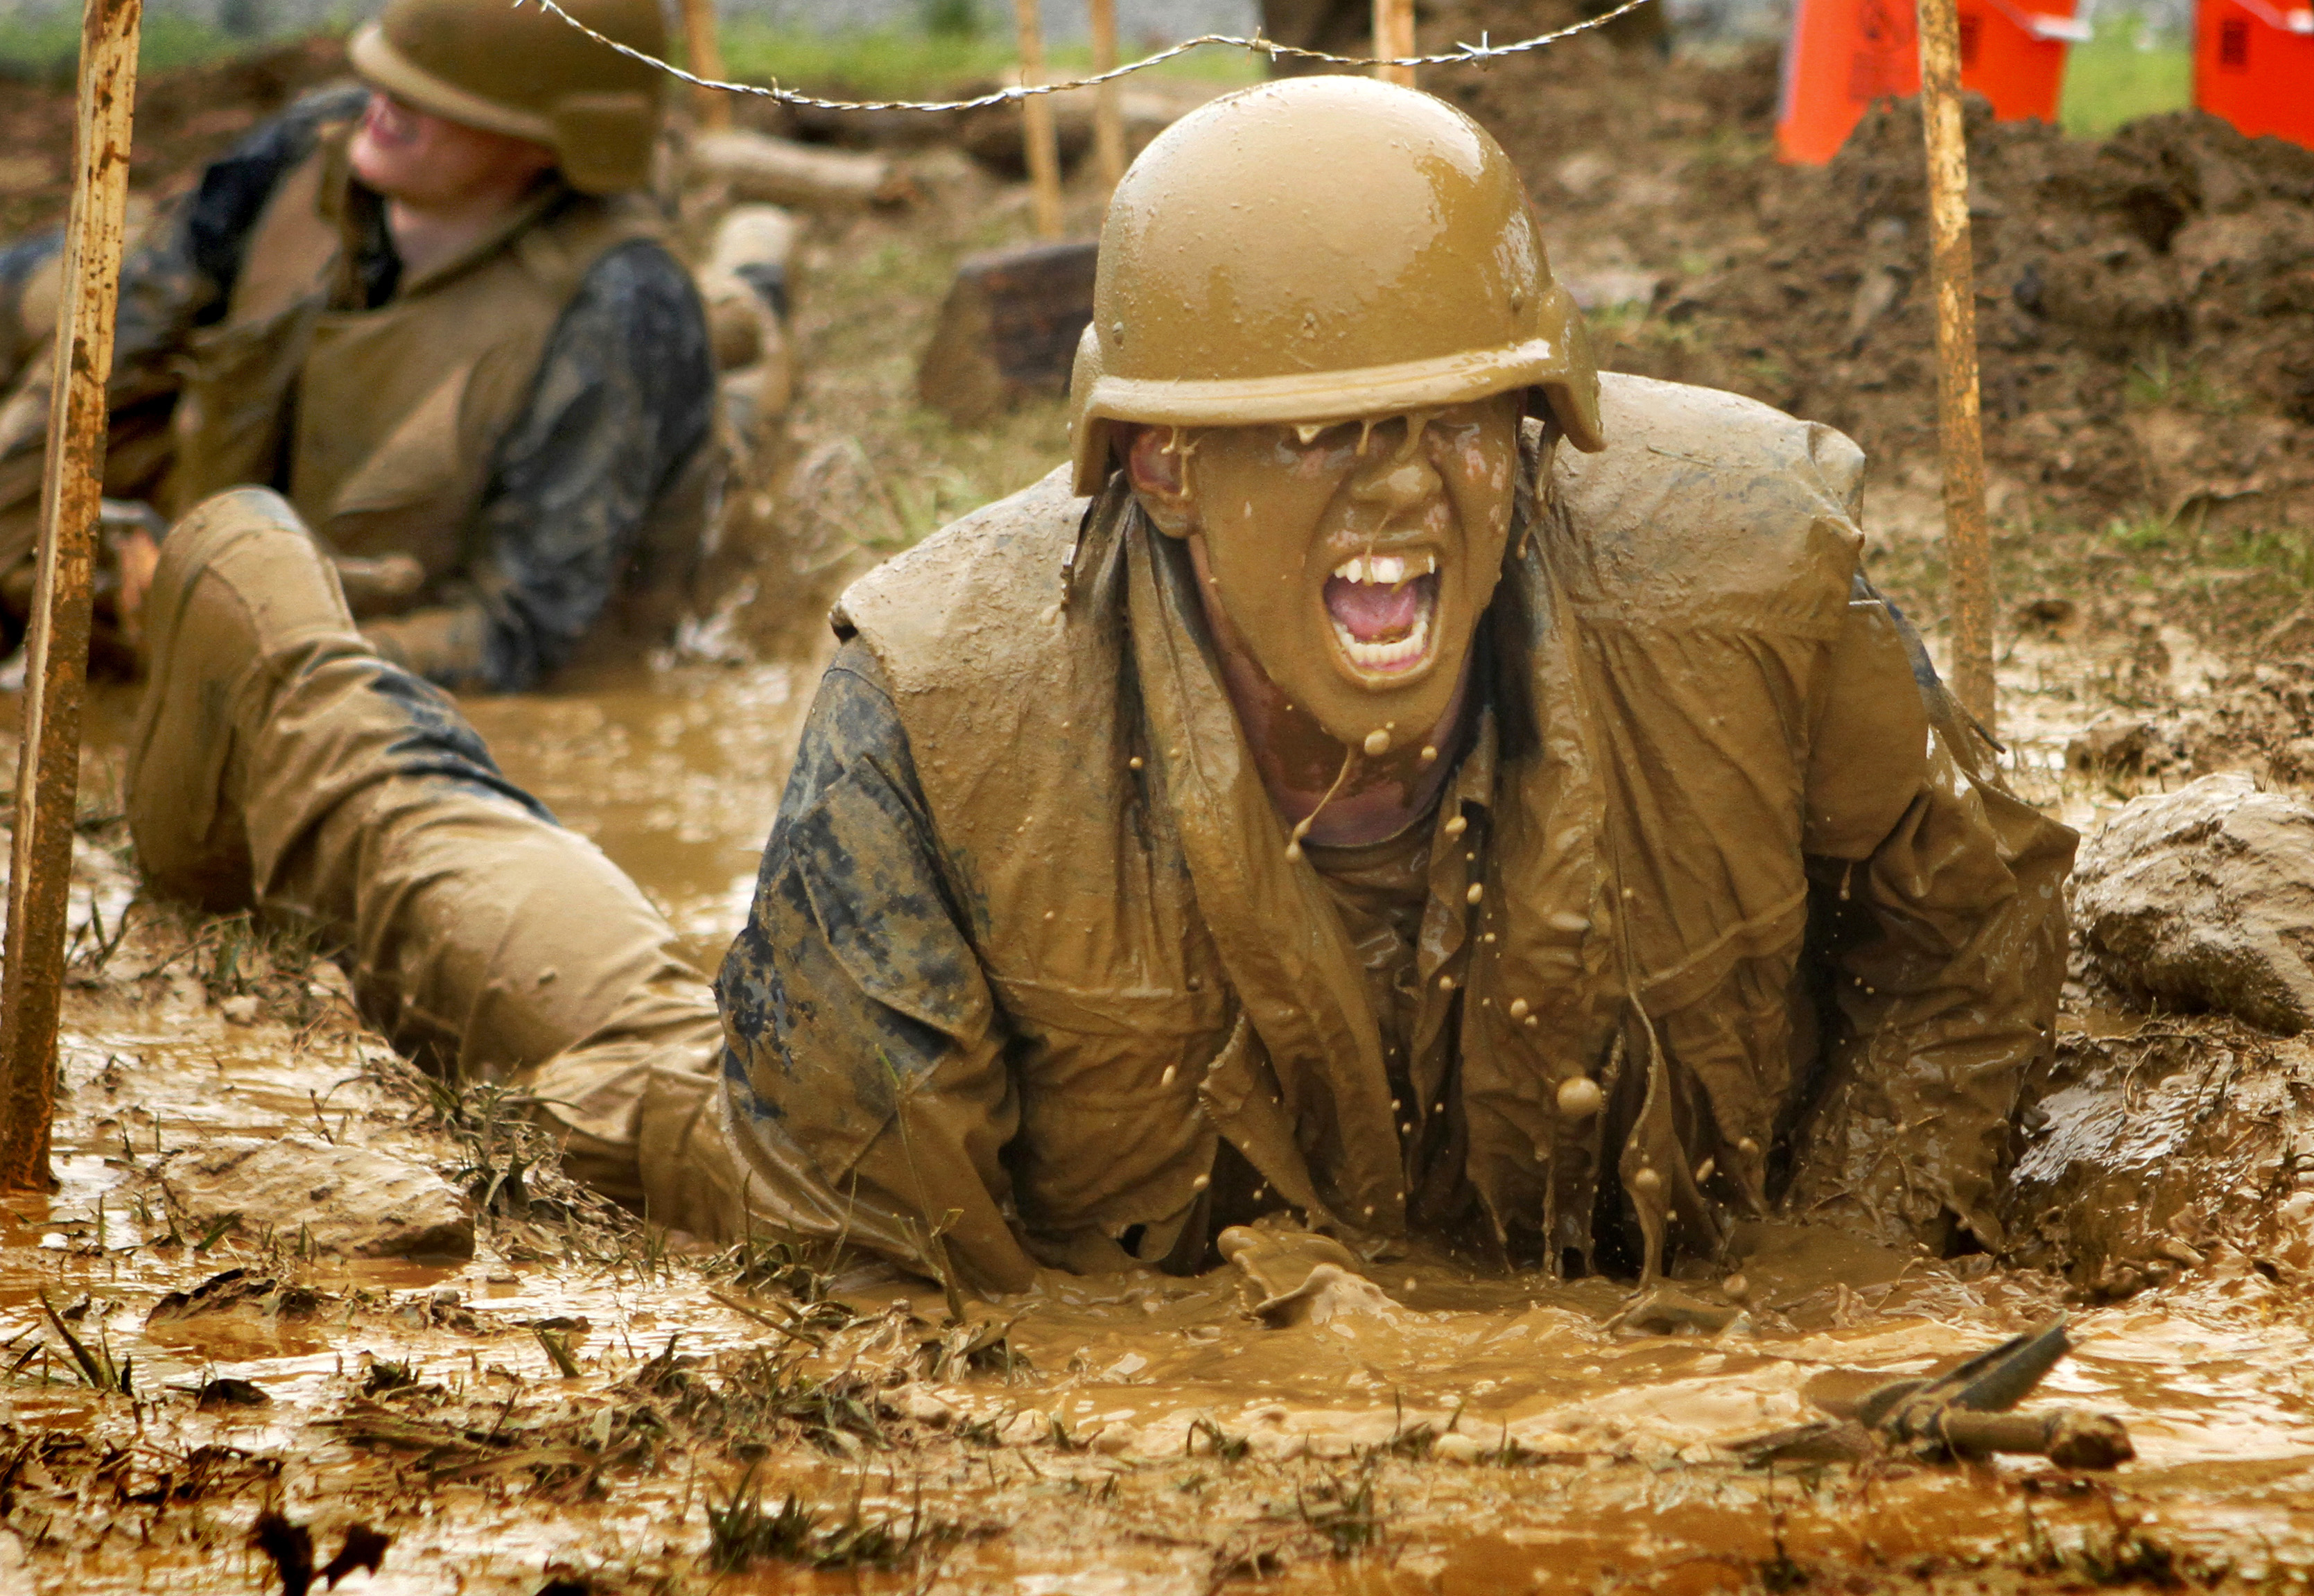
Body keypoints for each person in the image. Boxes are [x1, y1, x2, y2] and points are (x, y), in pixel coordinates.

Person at [125, 76, 2074, 1296]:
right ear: (1157, 465)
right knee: (666, 1075)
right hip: (876, 1133)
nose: (1398, 483)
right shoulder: (949, 706)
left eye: (1450, 423)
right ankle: (293, 667)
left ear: (1536, 432)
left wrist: (1855, 1269)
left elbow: (1966, 916)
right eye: (1305, 434)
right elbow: (885, 1281)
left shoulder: (1748, 584)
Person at [0, 0, 716, 689]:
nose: (384, 99)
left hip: (362, 630)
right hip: (229, 543)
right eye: (389, 72)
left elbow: (524, 638)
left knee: (736, 342)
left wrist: (240, 639)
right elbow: (112, 363)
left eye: (439, 95)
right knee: (41, 293)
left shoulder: (621, 305)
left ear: (550, 138)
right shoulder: (309, 151)